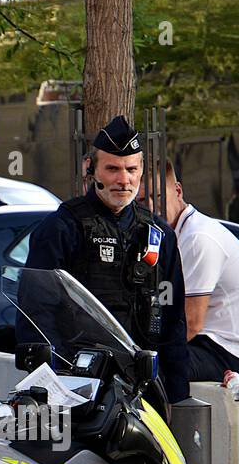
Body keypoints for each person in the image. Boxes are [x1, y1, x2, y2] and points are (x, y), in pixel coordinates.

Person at [20, 116, 189, 404]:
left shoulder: (159, 234)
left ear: (141, 172)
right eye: (112, 169)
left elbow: (173, 320)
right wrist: (54, 383)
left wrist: (177, 396)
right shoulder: (63, 228)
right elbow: (37, 313)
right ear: (91, 169)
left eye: (131, 169)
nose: (123, 180)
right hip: (79, 384)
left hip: (142, 386)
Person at [159, 160, 239, 382]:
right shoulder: (176, 232)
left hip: (224, 352)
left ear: (178, 191)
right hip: (205, 341)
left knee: (146, 369)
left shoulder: (198, 238)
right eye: (141, 200)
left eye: (158, 197)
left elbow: (191, 322)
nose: (151, 207)